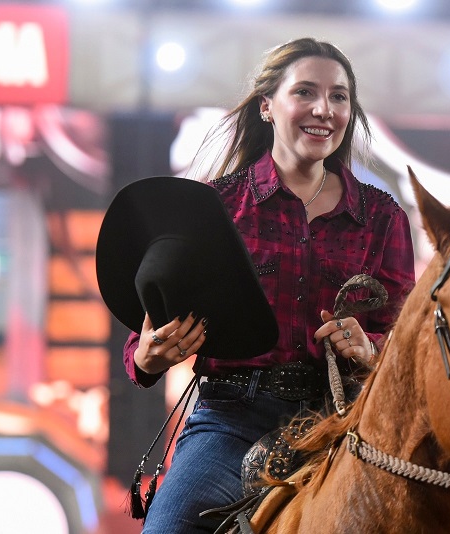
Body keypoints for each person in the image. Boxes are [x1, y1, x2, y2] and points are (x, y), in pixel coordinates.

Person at [123, 37, 415, 533]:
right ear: (267, 106)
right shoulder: (215, 208)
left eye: (339, 96)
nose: (324, 109)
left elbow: (407, 344)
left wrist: (372, 349)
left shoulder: (383, 217)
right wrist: (148, 356)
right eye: (305, 92)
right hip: (231, 420)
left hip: (347, 423)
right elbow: (141, 346)